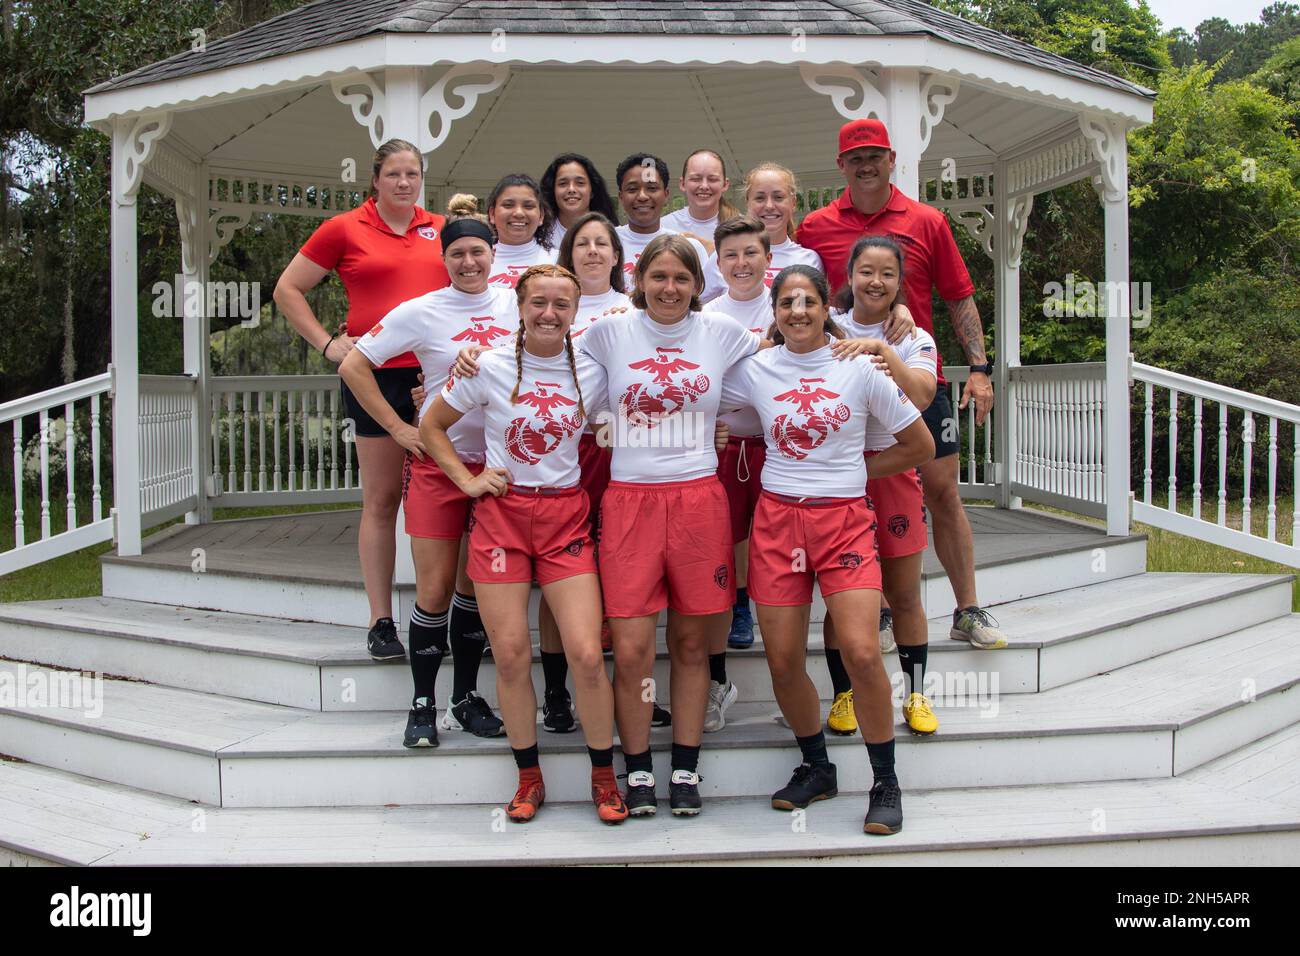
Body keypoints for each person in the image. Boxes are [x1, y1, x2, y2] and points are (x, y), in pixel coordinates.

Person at [720, 264, 934, 835]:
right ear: (775, 312)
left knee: (862, 653)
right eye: (786, 302)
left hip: (842, 522)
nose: (797, 311)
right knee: (784, 659)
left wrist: (856, 471)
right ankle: (817, 765)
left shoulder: (858, 369)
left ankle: (885, 780)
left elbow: (919, 443)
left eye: (808, 301)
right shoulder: (756, 369)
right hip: (777, 523)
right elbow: (693, 382)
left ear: (826, 309)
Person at [419, 264, 628, 825]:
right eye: (539, 302)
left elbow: (637, 399)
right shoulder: (488, 364)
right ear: (519, 304)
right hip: (501, 518)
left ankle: (604, 778)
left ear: (576, 310)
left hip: (564, 517)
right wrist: (466, 480)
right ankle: (528, 777)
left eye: (562, 304)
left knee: (586, 653)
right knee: (510, 655)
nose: (549, 314)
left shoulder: (593, 366)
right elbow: (431, 425)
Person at [797, 118, 1009, 651]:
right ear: (841, 165)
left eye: (876, 155)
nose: (866, 165)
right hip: (850, 381)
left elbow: (959, 296)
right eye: (855, 157)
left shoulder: (927, 220)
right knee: (866, 488)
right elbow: (807, 293)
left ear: (892, 159)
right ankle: (884, 610)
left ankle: (967, 608)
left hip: (919, 379)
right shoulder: (816, 226)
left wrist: (980, 368)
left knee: (942, 491)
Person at [577, 234, 763, 817]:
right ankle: (635, 769)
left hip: (698, 499)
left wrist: (869, 339)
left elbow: (788, 356)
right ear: (638, 281)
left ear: (697, 285)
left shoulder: (724, 334)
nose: (669, 288)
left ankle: (684, 767)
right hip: (630, 497)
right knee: (631, 649)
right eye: (658, 277)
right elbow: (553, 375)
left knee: (689, 643)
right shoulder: (608, 332)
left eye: (681, 278)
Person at [338, 198, 511, 747]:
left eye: (477, 252)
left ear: (493, 254)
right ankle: (421, 705)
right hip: (440, 464)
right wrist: (398, 428)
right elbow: (353, 363)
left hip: (501, 467)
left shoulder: (516, 303)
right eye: (456, 253)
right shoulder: (422, 309)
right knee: (433, 588)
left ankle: (464, 698)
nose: (467, 263)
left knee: (472, 588)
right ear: (444, 258)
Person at [274, 139, 450, 661]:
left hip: (435, 379)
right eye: (393, 173)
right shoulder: (344, 228)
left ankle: (440, 615)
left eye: (412, 173)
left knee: (441, 499)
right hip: (372, 375)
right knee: (382, 501)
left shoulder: (440, 230)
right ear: (375, 178)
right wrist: (328, 344)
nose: (403, 182)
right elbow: (288, 289)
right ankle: (380, 621)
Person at [827, 236, 941, 737]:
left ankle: (915, 693)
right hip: (837, 468)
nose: (876, 282)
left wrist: (879, 349)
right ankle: (843, 696)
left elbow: (919, 396)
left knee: (904, 593)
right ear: (850, 275)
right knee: (842, 595)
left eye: (887, 274)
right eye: (866, 271)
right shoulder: (828, 323)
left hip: (892, 468)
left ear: (899, 282)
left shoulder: (914, 337)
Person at [535, 212, 631, 734]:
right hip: (566, 452)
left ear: (618, 256)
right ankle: (555, 693)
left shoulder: (635, 308)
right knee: (563, 571)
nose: (593, 251)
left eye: (603, 243)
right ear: (567, 255)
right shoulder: (552, 307)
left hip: (627, 451)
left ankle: (629, 693)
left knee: (621, 573)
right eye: (582, 243)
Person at [613, 152, 723, 302]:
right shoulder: (605, 243)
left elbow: (702, 303)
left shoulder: (689, 247)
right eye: (632, 189)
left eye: (652, 188)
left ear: (666, 195)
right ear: (621, 197)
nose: (643, 196)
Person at [743, 162, 824, 287]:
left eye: (778, 197)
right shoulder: (727, 254)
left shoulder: (809, 259)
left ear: (793, 203)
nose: (769, 206)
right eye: (760, 198)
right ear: (747, 202)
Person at [484, 173, 558, 288]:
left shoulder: (558, 260)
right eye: (508, 205)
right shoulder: (476, 261)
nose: (519, 213)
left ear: (541, 216)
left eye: (528, 206)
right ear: (492, 214)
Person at [539, 153, 619, 250]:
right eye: (563, 183)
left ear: (592, 191)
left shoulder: (612, 234)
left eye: (580, 183)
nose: (571, 189)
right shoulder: (540, 235)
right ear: (553, 191)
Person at [662, 148, 740, 242]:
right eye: (695, 179)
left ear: (725, 184)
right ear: (682, 184)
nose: (704, 186)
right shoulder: (664, 227)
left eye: (712, 179)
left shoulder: (743, 227)